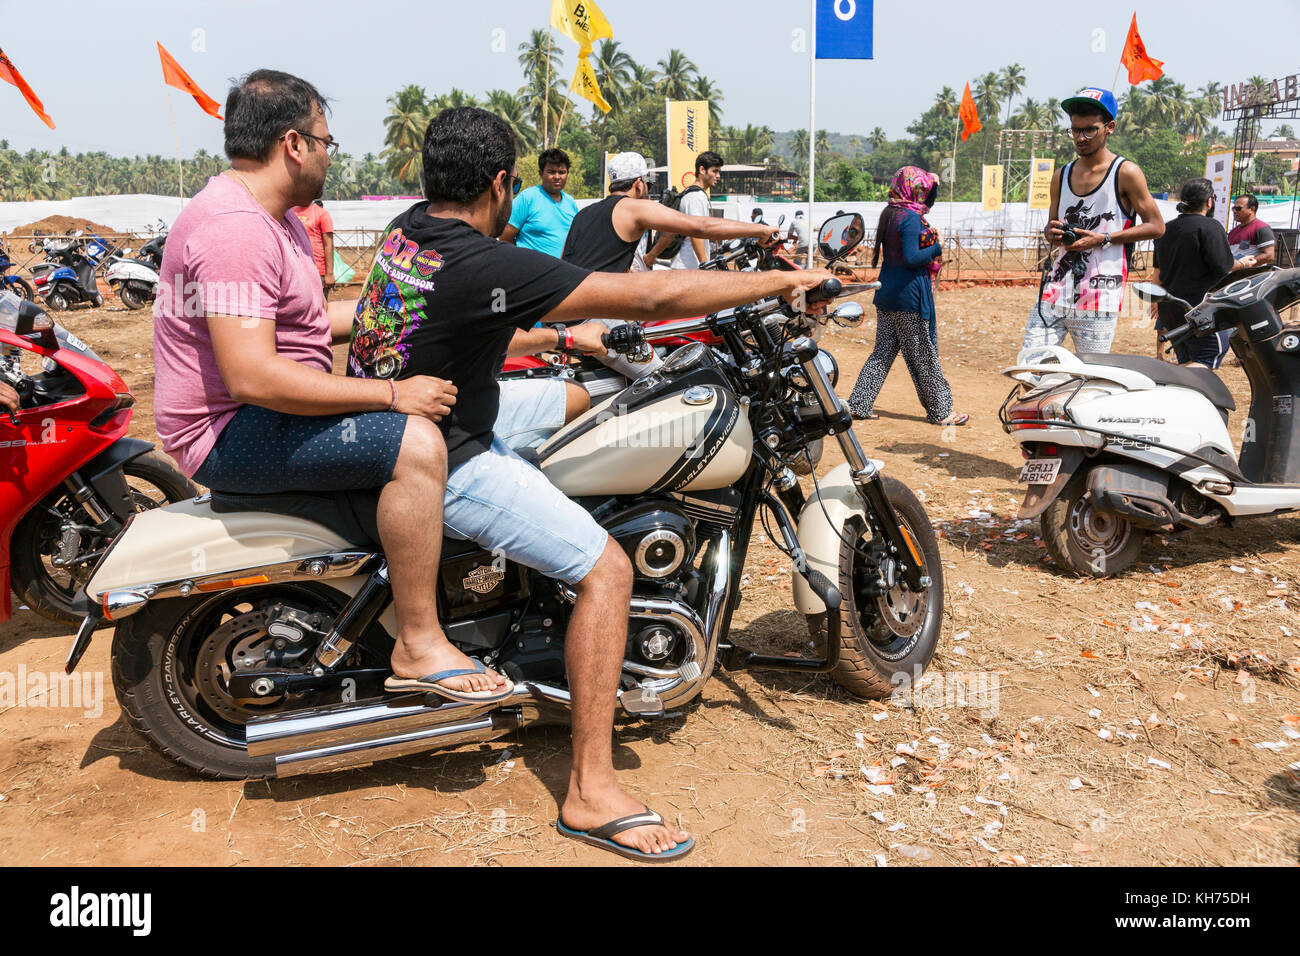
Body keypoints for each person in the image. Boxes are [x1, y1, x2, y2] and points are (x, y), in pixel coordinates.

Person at [348, 106, 835, 860]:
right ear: (503, 184)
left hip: (450, 406)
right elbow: (646, 297)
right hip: (447, 449)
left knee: (596, 397)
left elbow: (466, 324)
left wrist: (565, 336)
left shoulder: (410, 228)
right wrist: (784, 280)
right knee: (606, 567)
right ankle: (590, 789)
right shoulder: (483, 260)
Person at [150, 70, 498, 702]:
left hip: (253, 415)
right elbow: (252, 375)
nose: (330, 156)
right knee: (417, 445)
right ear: (294, 144)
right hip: (228, 432)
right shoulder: (235, 230)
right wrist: (395, 395)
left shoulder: (270, 216)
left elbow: (314, 321)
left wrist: (428, 311)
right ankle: (420, 644)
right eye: (327, 142)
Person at [549, 151, 780, 384]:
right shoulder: (631, 207)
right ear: (639, 184)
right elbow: (699, 227)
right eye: (647, 183)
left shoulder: (584, 214)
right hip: (592, 319)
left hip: (563, 314)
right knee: (670, 384)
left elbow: (564, 260)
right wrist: (759, 230)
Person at [1022, 87, 1164, 356]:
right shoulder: (1061, 175)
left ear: (1109, 127)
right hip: (1055, 291)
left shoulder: (1125, 173)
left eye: (1089, 130)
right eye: (1075, 130)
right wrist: (1051, 232)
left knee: (1089, 379)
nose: (1080, 138)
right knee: (1031, 367)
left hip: (1099, 296)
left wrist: (1105, 238)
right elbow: (1051, 227)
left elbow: (1157, 226)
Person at [848, 166, 967, 427]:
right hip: (908, 298)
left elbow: (923, 208)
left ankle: (859, 403)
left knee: (883, 352)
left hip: (886, 294)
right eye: (922, 190)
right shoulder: (911, 219)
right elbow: (913, 258)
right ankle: (942, 411)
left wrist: (934, 185)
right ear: (914, 189)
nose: (925, 195)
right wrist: (937, 247)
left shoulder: (891, 213)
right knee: (923, 355)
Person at [1151, 179, 1241, 369]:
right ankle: (1161, 390)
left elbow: (1157, 274)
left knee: (1187, 359)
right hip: (1200, 309)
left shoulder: (1165, 230)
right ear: (1209, 201)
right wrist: (1243, 263)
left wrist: (1156, 301)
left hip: (1170, 309)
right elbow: (1224, 265)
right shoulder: (1210, 226)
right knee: (1207, 358)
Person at [644, 150, 725, 269]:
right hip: (690, 267)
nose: (718, 176)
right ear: (702, 170)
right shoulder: (696, 197)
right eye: (715, 171)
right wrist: (705, 264)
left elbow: (671, 232)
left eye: (719, 172)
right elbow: (696, 231)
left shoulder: (689, 194)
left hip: (685, 266)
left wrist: (652, 255)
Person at [500, 147, 578, 258]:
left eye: (561, 172)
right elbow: (505, 237)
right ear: (541, 173)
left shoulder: (571, 203)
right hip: (531, 272)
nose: (557, 177)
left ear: (567, 174)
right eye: (551, 172)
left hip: (563, 272)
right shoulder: (527, 198)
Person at [290, 198, 335, 297]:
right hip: (296, 268)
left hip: (318, 269)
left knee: (320, 305)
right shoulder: (290, 212)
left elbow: (329, 244)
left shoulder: (322, 214)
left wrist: (329, 273)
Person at [1228, 193, 1276, 267]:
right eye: (1233, 208)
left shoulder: (1261, 228)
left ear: (1252, 209)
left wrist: (1242, 265)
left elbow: (1269, 256)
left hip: (1252, 277)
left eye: (1238, 208)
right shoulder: (1232, 232)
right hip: (1235, 276)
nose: (1234, 211)